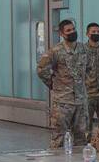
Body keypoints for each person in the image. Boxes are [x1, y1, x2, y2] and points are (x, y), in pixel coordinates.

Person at [37, 19, 90, 149]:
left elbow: (89, 68)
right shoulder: (55, 51)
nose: (72, 32)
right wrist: (53, 84)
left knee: (82, 138)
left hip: (80, 102)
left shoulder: (83, 49)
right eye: (68, 31)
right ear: (61, 34)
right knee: (58, 138)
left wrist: (83, 85)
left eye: (73, 29)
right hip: (62, 102)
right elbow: (41, 69)